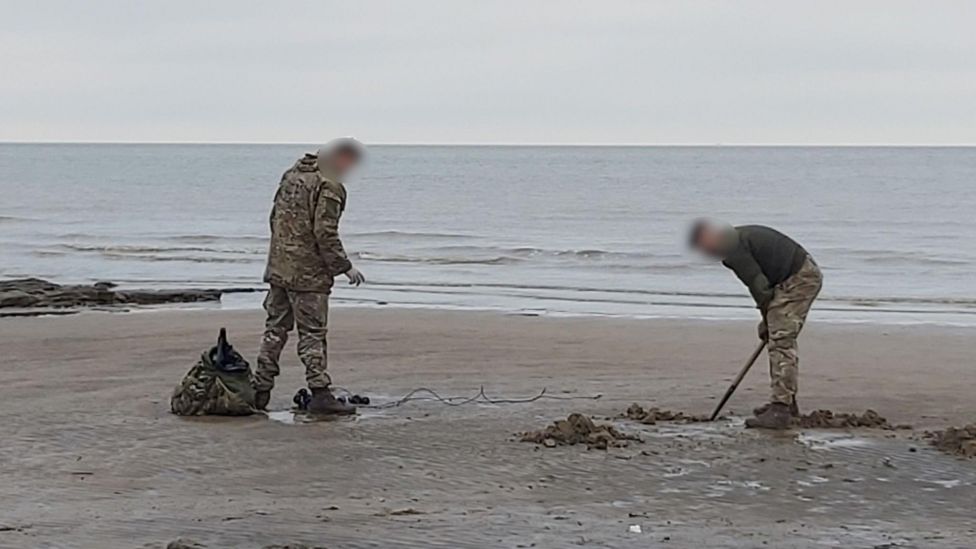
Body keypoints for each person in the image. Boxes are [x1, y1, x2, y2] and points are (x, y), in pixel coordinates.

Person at [253, 138, 367, 415]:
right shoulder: (329, 185)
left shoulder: (291, 176)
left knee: (275, 330)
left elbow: (274, 219)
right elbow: (325, 232)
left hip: (280, 268)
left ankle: (259, 390)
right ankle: (319, 392)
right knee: (312, 333)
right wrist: (344, 266)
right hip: (308, 275)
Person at [689, 219, 823, 429]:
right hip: (795, 275)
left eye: (703, 246)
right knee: (778, 337)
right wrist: (767, 320)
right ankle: (787, 403)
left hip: (799, 278)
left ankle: (781, 410)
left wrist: (767, 320)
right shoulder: (733, 238)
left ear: (708, 237)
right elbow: (764, 287)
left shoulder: (731, 247)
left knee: (781, 342)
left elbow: (759, 287)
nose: (707, 253)